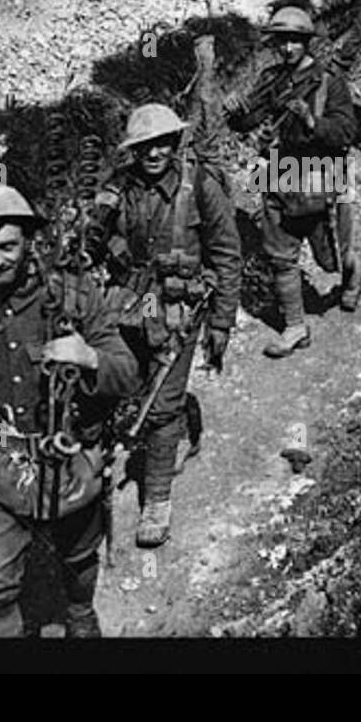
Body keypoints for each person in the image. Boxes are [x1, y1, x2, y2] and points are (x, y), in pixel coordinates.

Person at [0, 184, 142, 637]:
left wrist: (89, 358)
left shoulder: (74, 296)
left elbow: (127, 373)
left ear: (29, 241)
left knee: (78, 557)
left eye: (8, 246)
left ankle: (79, 616)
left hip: (69, 456)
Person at [83, 103, 242, 548]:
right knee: (110, 387)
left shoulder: (200, 187)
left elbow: (228, 256)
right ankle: (92, 482)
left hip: (179, 307)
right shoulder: (119, 188)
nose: (153, 153)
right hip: (128, 304)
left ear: (175, 144)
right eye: (144, 146)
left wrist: (222, 322)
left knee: (162, 404)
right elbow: (92, 241)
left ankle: (157, 498)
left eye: (162, 143)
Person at [226, 6, 361, 358]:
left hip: (322, 170)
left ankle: (352, 273)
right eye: (281, 42)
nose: (287, 49)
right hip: (275, 169)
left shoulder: (329, 83)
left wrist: (311, 120)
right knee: (280, 255)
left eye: (295, 41)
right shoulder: (271, 78)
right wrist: (237, 113)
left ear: (307, 43)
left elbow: (345, 132)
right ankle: (295, 326)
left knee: (332, 256)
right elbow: (249, 121)